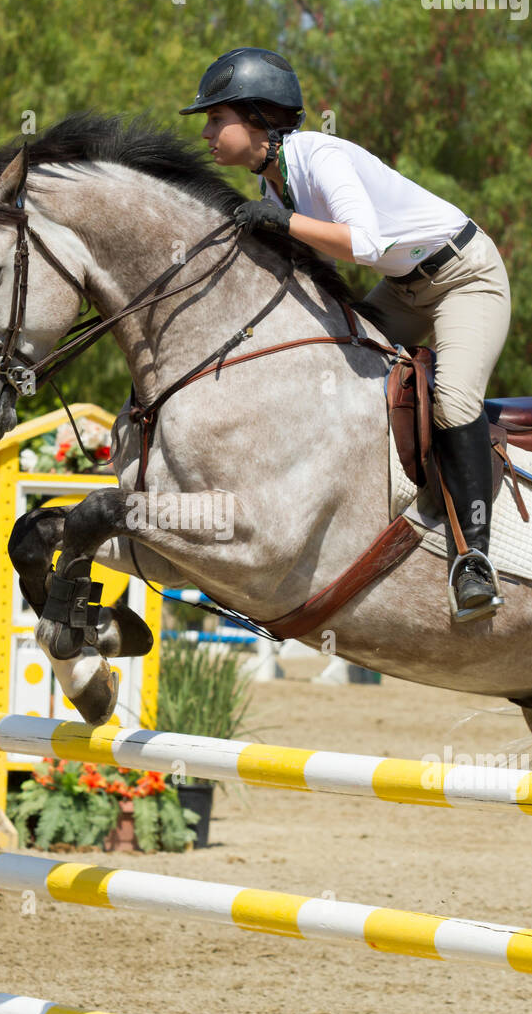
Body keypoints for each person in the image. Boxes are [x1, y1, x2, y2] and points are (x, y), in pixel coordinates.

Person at [179, 46, 511, 623]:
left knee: (454, 401)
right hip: (405, 289)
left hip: (464, 278)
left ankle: (473, 560)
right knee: (333, 365)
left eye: (216, 118)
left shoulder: (318, 157)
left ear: (257, 117)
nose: (206, 132)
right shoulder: (275, 182)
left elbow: (366, 245)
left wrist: (282, 223)